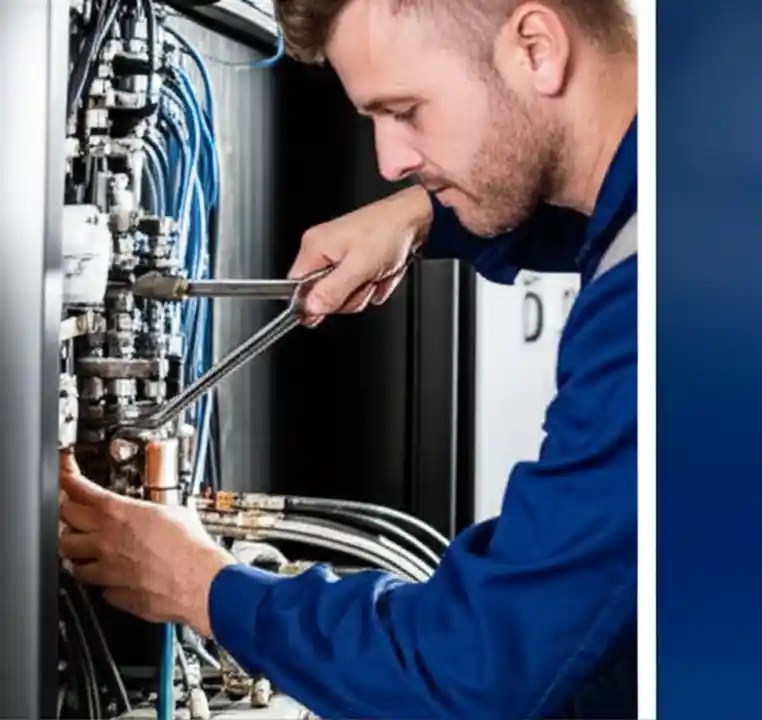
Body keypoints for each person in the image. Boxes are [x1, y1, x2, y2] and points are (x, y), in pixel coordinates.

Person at [57, 0, 638, 718]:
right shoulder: (711, 174)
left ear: (536, 47)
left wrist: (204, 587)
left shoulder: (646, 311)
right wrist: (426, 215)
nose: (390, 162)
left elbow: (472, 670)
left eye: (406, 110)